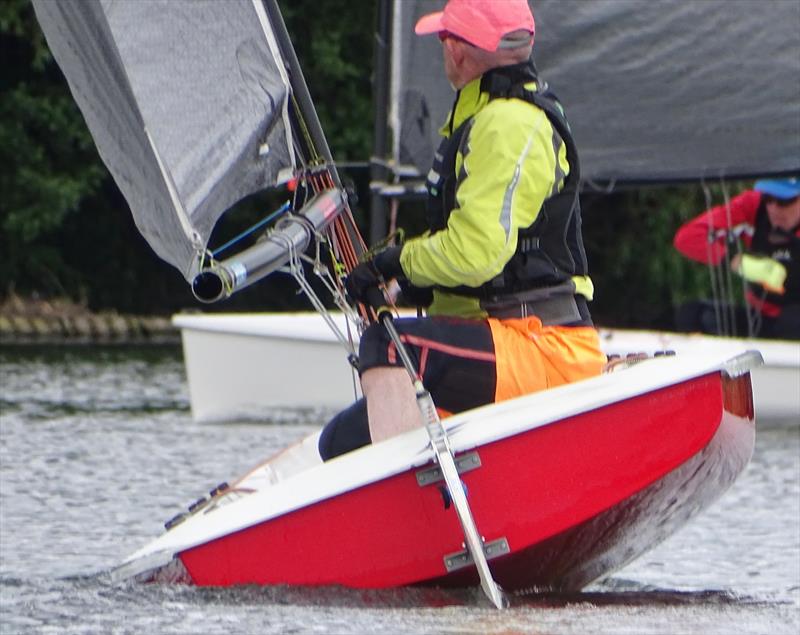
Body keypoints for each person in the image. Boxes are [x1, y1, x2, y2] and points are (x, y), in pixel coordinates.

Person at [318, 0, 606, 460]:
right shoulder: (486, 117)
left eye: (444, 40)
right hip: (501, 339)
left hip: (545, 349)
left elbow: (477, 255)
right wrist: (404, 286)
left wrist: (394, 262)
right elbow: (486, 267)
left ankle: (403, 491)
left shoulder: (508, 124)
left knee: (392, 347)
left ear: (456, 50)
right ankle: (405, 514)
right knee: (340, 444)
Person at [673, 177, 800, 340]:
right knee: (693, 314)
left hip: (793, 320)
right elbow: (687, 238)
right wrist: (738, 262)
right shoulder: (752, 205)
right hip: (761, 316)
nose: (773, 209)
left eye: (784, 201)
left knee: (791, 322)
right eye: (768, 198)